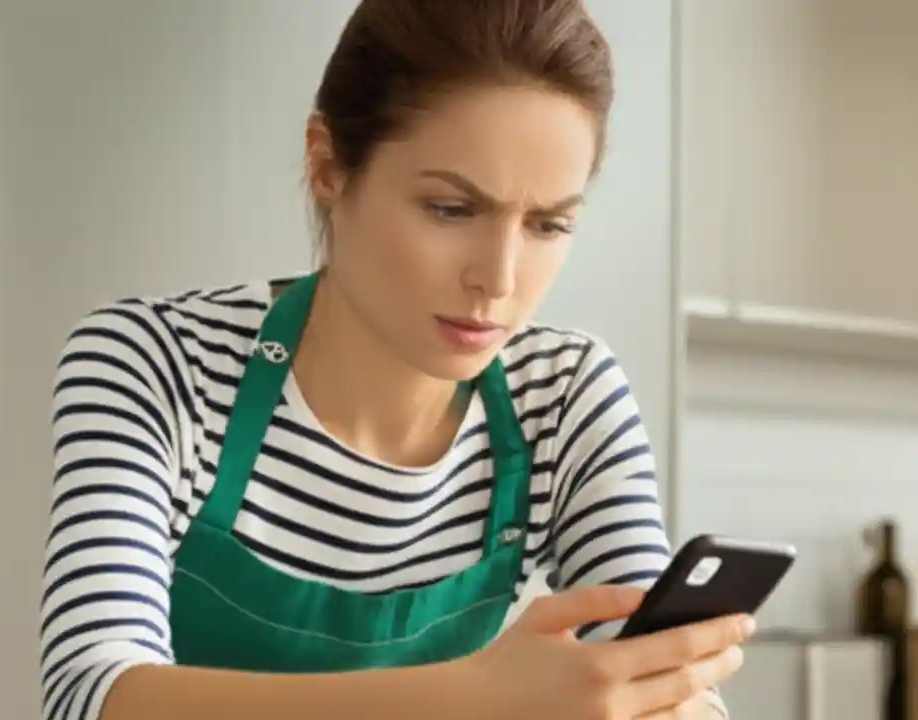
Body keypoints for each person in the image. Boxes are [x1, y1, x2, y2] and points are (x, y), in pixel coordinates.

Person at [37, 1, 752, 719]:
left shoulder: (563, 398)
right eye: (450, 209)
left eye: (548, 224)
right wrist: (476, 700)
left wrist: (671, 697)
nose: (499, 280)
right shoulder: (155, 361)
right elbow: (94, 694)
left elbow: (667, 688)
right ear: (328, 166)